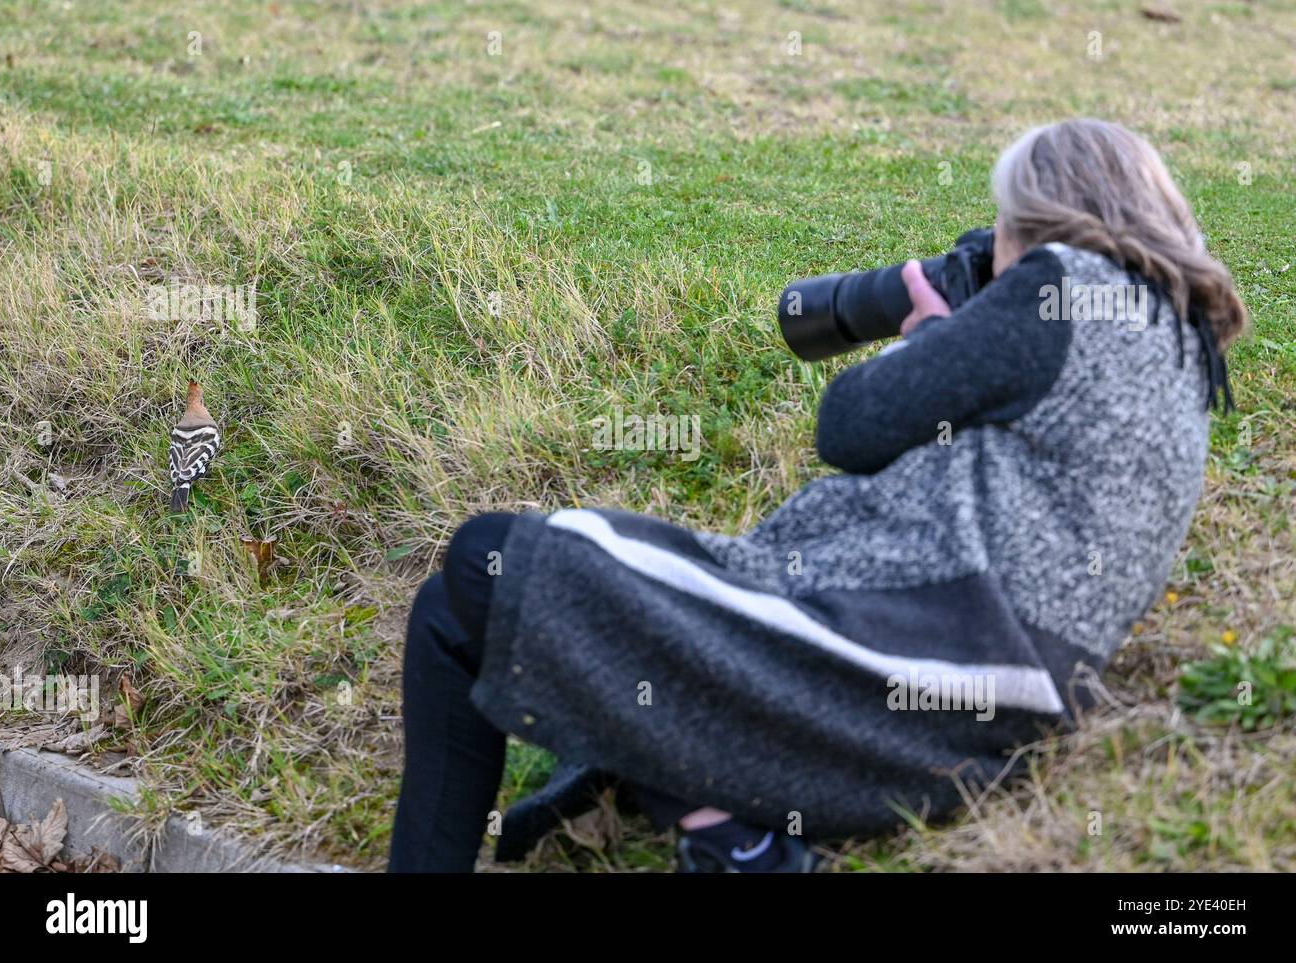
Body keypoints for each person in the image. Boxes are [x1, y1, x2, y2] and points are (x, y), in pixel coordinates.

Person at [388, 118, 1247, 873]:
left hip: (914, 651)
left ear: (1046, 220)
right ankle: (731, 833)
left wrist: (931, 342)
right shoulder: (1178, 345)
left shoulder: (1065, 285)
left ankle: (738, 836)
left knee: (490, 552)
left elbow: (851, 426)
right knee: (452, 616)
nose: (1001, 246)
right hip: (969, 707)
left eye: (1007, 225)